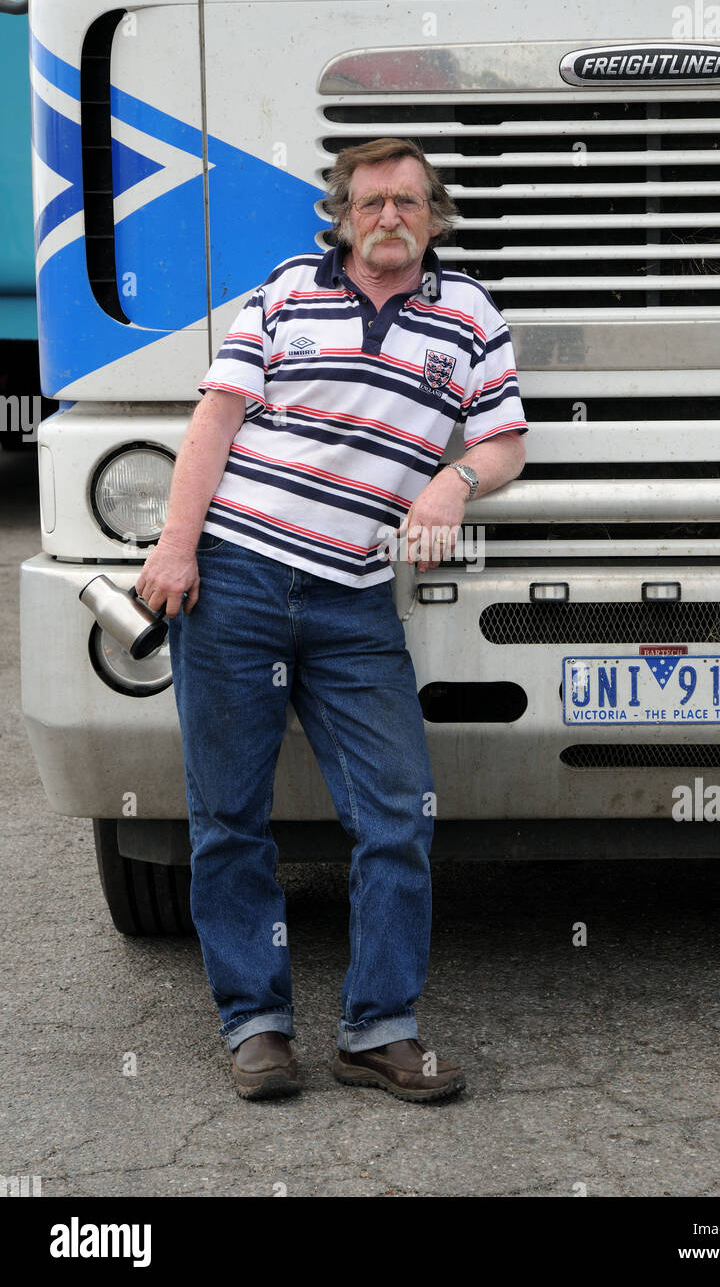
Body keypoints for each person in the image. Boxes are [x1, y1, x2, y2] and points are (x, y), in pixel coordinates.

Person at [136, 137, 527, 1102]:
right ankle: (256, 1027)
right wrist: (176, 544)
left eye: (406, 201)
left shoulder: (469, 312)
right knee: (228, 817)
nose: (387, 217)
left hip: (354, 595)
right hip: (234, 579)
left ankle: (377, 1031)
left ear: (434, 215)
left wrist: (453, 482)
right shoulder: (282, 289)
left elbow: (505, 439)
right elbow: (215, 423)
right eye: (369, 203)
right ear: (341, 216)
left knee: (395, 814)